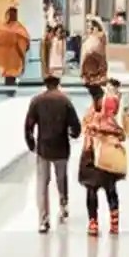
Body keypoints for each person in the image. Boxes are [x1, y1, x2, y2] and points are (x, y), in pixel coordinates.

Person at [24, 74, 82, 233]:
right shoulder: (64, 101)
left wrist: (31, 143)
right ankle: (63, 204)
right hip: (61, 147)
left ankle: (44, 219)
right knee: (61, 178)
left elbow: (28, 125)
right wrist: (74, 134)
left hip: (44, 147)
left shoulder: (37, 101)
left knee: (43, 183)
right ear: (58, 84)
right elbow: (76, 126)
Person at [77, 83, 125, 237]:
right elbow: (120, 132)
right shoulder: (111, 112)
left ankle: (93, 223)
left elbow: (84, 128)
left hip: (92, 152)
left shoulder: (91, 113)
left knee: (92, 188)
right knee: (110, 188)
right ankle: (114, 222)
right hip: (108, 152)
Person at [0, 7, 31, 94]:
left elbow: (24, 41)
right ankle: (10, 91)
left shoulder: (6, 28)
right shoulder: (17, 28)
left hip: (13, 56)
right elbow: (25, 41)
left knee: (10, 75)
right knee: (10, 75)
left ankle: (10, 90)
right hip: (9, 56)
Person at [80, 19, 108, 85]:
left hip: (98, 57)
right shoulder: (86, 37)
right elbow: (84, 51)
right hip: (88, 59)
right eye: (88, 27)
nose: (89, 28)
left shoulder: (101, 35)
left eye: (91, 27)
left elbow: (104, 41)